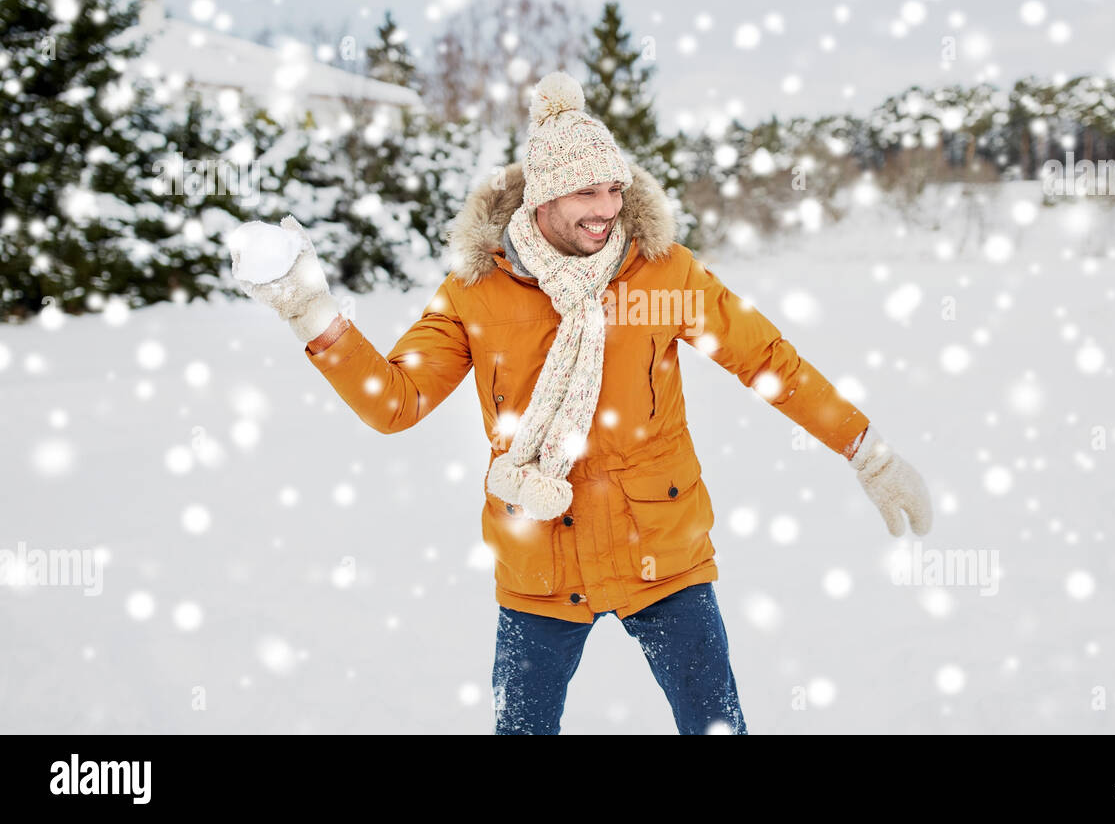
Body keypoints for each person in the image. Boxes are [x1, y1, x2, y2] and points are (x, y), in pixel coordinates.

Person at [230, 70, 933, 734]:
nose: (605, 209)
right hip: (540, 559)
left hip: (661, 551)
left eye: (612, 189)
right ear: (542, 198)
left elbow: (765, 359)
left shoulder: (662, 272)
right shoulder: (476, 291)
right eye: (585, 194)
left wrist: (865, 449)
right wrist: (313, 314)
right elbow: (395, 401)